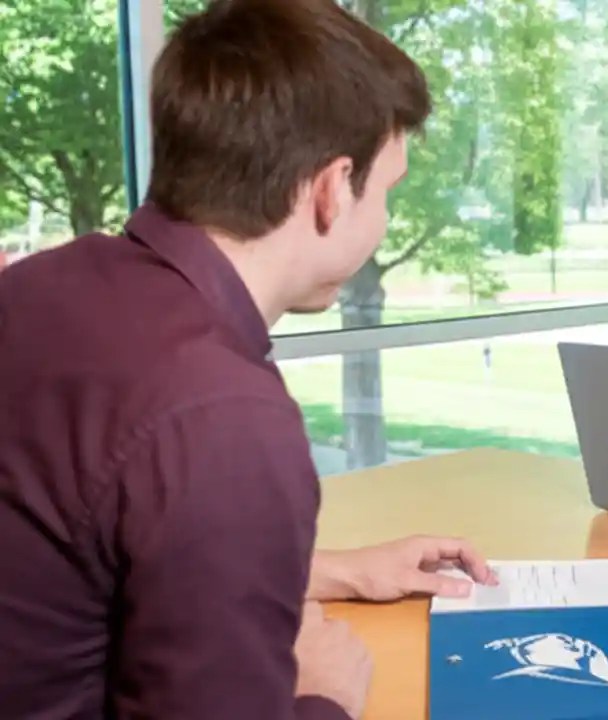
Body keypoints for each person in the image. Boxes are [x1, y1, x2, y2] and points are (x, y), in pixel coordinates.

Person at [0, 1, 495, 718]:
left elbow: (82, 568)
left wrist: (333, 574)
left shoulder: (39, 288)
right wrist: (324, 696)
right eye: (388, 191)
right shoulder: (222, 414)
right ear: (331, 190)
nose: (383, 221)